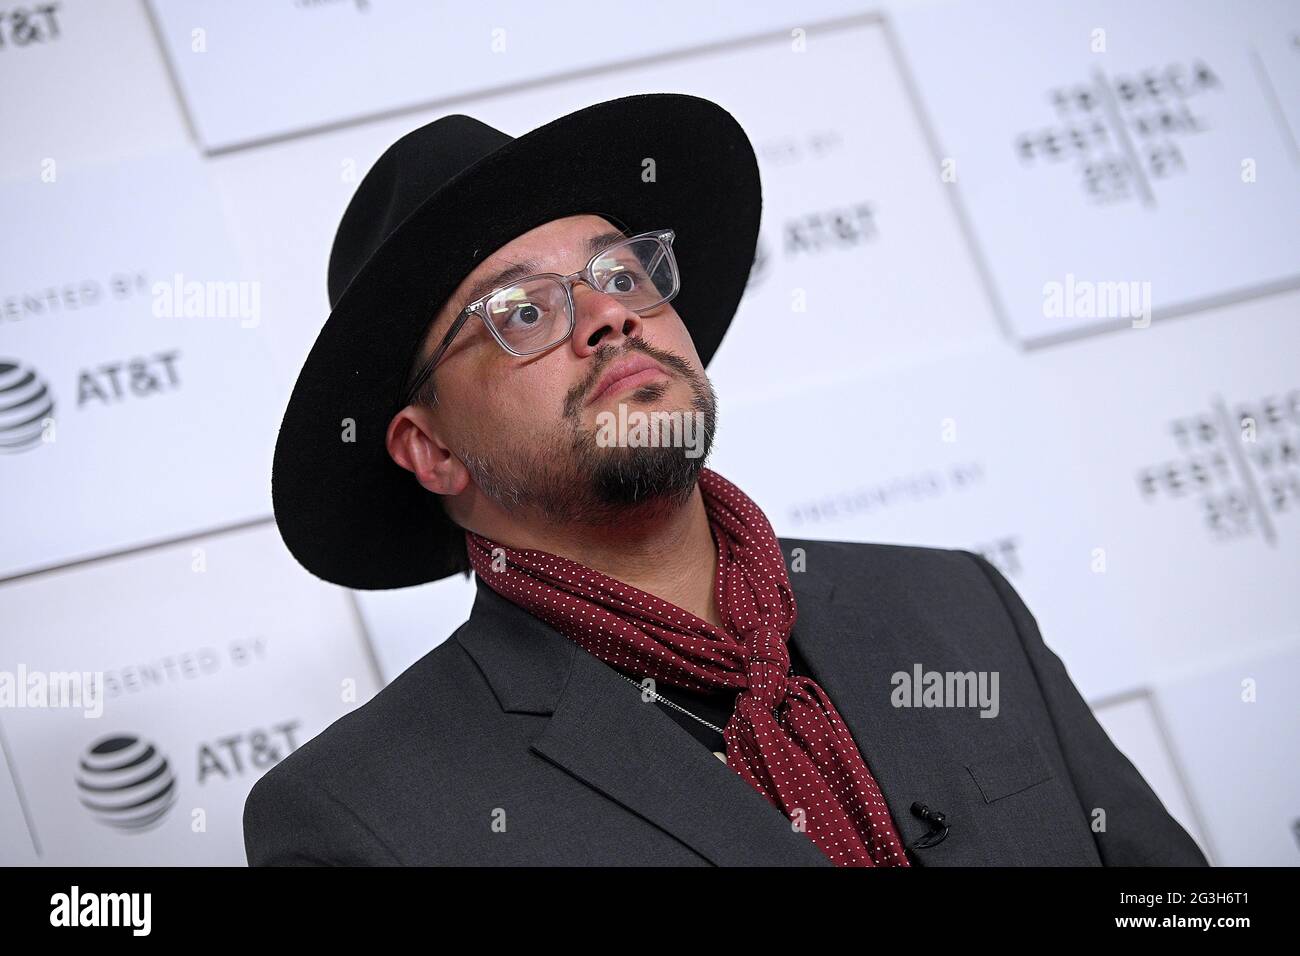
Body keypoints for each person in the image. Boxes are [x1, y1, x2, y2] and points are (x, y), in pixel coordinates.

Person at [247, 93, 1209, 867]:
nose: (608, 317)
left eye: (623, 275)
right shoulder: (358, 819)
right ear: (432, 451)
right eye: (523, 313)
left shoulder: (955, 602)